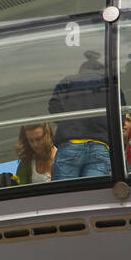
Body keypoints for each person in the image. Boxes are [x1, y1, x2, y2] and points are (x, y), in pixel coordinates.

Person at [48, 51, 111, 179]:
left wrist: (68, 123)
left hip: (71, 144)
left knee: (64, 196)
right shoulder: (110, 86)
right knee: (93, 197)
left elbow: (54, 107)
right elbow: (119, 116)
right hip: (100, 147)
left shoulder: (68, 81)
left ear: (81, 70)